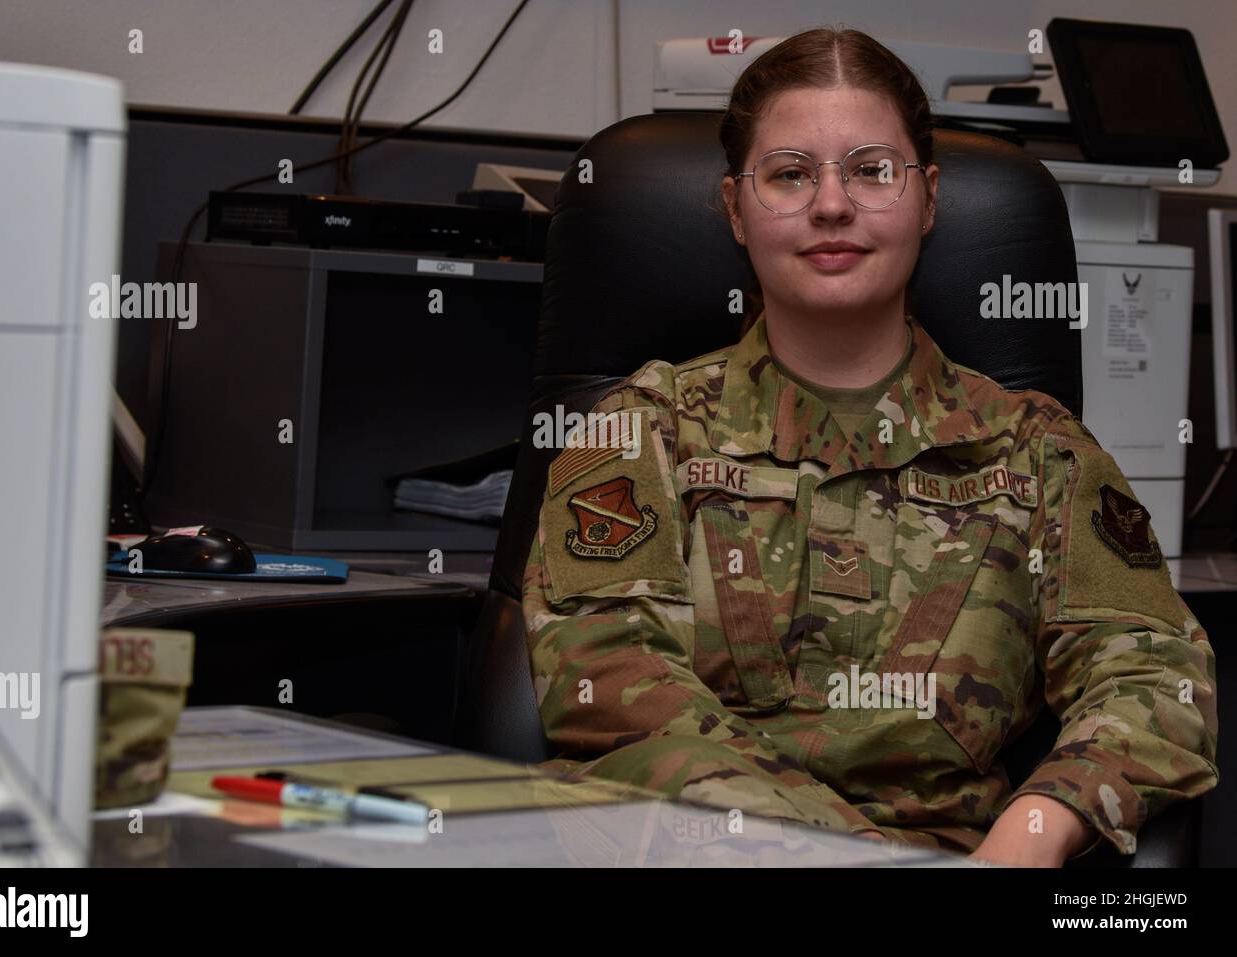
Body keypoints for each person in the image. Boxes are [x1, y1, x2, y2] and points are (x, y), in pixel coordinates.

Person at [520, 27, 1218, 866]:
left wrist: (1034, 832)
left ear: (927, 199)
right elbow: (616, 693)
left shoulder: (1037, 454)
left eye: (871, 169)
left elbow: (1152, 679)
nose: (831, 205)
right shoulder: (643, 434)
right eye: (788, 173)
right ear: (736, 210)